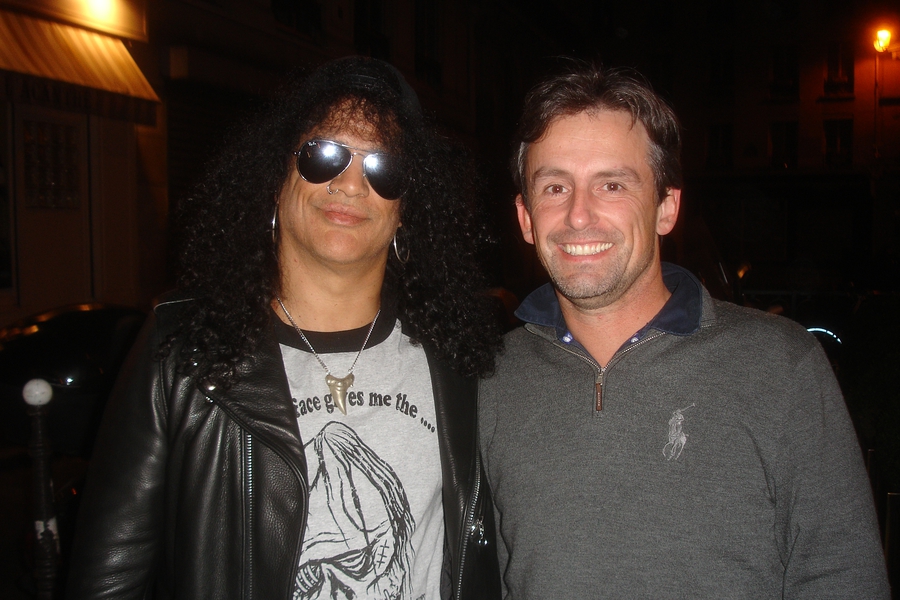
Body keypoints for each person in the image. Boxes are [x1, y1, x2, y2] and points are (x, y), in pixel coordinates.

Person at [67, 56, 502, 600]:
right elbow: (108, 581)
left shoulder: (457, 359)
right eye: (324, 155)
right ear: (277, 179)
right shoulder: (185, 350)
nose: (351, 182)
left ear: (405, 209)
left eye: (383, 168)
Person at [479, 61, 890, 598]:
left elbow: (843, 575)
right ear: (526, 218)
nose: (579, 215)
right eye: (555, 187)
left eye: (611, 184)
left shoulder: (780, 365)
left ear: (666, 207)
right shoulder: (489, 379)